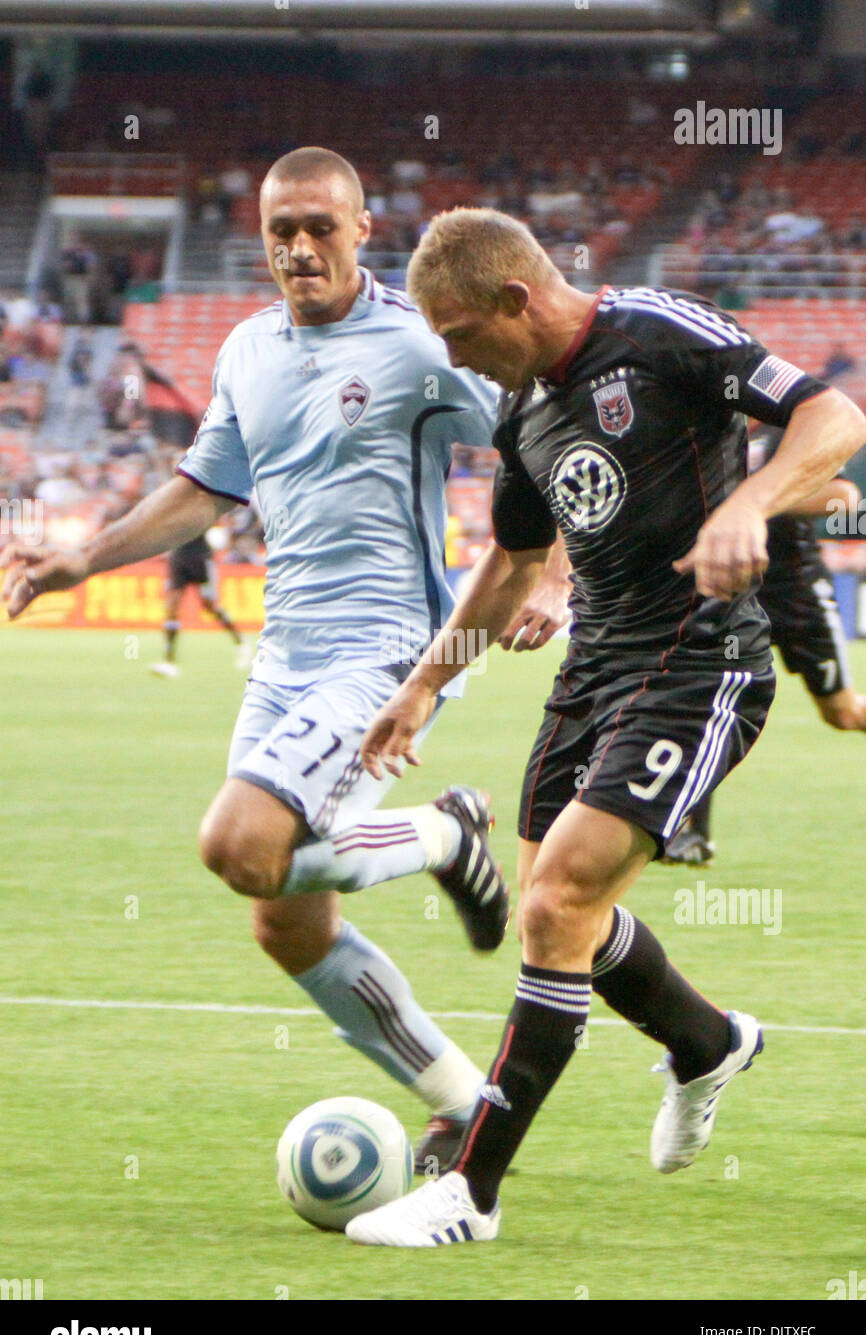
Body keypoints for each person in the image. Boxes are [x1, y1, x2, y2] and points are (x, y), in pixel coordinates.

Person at [1, 151, 568, 1172]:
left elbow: (539, 435)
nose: (298, 248)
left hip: (388, 650)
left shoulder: (417, 343)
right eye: (280, 232)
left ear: (361, 231)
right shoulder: (245, 349)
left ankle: (440, 832)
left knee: (237, 843)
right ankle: (459, 1104)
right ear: (259, 237)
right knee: (285, 923)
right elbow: (203, 486)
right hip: (284, 659)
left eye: (319, 227)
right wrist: (80, 555)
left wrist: (552, 577)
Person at [346, 207, 866, 1246]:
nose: (454, 358)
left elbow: (832, 418)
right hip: (595, 669)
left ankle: (471, 1192)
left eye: (458, 337)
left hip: (699, 659)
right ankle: (706, 1039)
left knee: (552, 904)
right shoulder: (522, 412)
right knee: (565, 914)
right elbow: (507, 566)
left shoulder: (658, 333)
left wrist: (747, 505)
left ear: (514, 300)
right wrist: (420, 687)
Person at [665, 427, 866, 864]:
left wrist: (752, 500)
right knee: (699, 704)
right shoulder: (700, 429)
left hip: (795, 594)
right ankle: (691, 836)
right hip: (728, 594)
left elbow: (843, 497)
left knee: (844, 713)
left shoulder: (790, 428)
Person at [149, 531, 252, 677]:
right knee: (172, 607)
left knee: (209, 606)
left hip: (200, 557)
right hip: (178, 556)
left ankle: (240, 641)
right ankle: (169, 660)